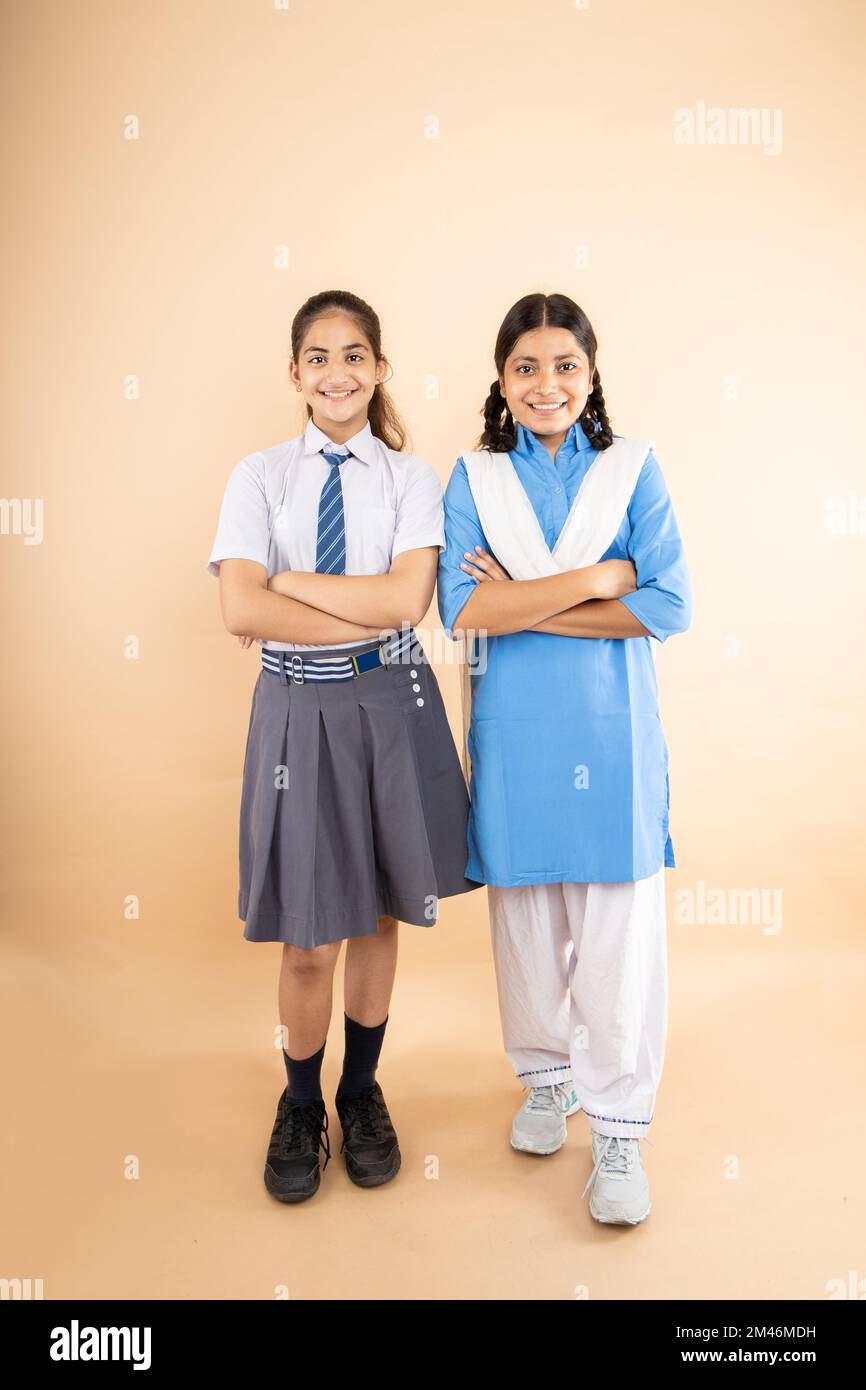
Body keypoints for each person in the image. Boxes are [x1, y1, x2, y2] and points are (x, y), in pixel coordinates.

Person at [207, 289, 480, 1203]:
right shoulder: (259, 476)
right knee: (308, 936)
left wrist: (288, 582)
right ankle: (299, 1101)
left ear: (380, 369)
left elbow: (406, 606)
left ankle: (360, 1093)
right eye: (319, 357)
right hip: (296, 713)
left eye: (356, 354)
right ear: (296, 373)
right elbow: (239, 609)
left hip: (390, 710)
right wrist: (333, 608)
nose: (338, 373)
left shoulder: (408, 479)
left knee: (376, 915)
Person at [437, 292, 691, 1225]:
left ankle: (620, 1128)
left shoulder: (634, 471)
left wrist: (528, 600)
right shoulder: (474, 478)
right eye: (526, 368)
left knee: (620, 939)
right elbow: (462, 612)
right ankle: (548, 1081)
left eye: (566, 366)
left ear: (592, 373)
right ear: (502, 382)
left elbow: (669, 607)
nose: (548, 385)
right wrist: (593, 580)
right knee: (527, 928)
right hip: (515, 737)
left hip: (611, 736)